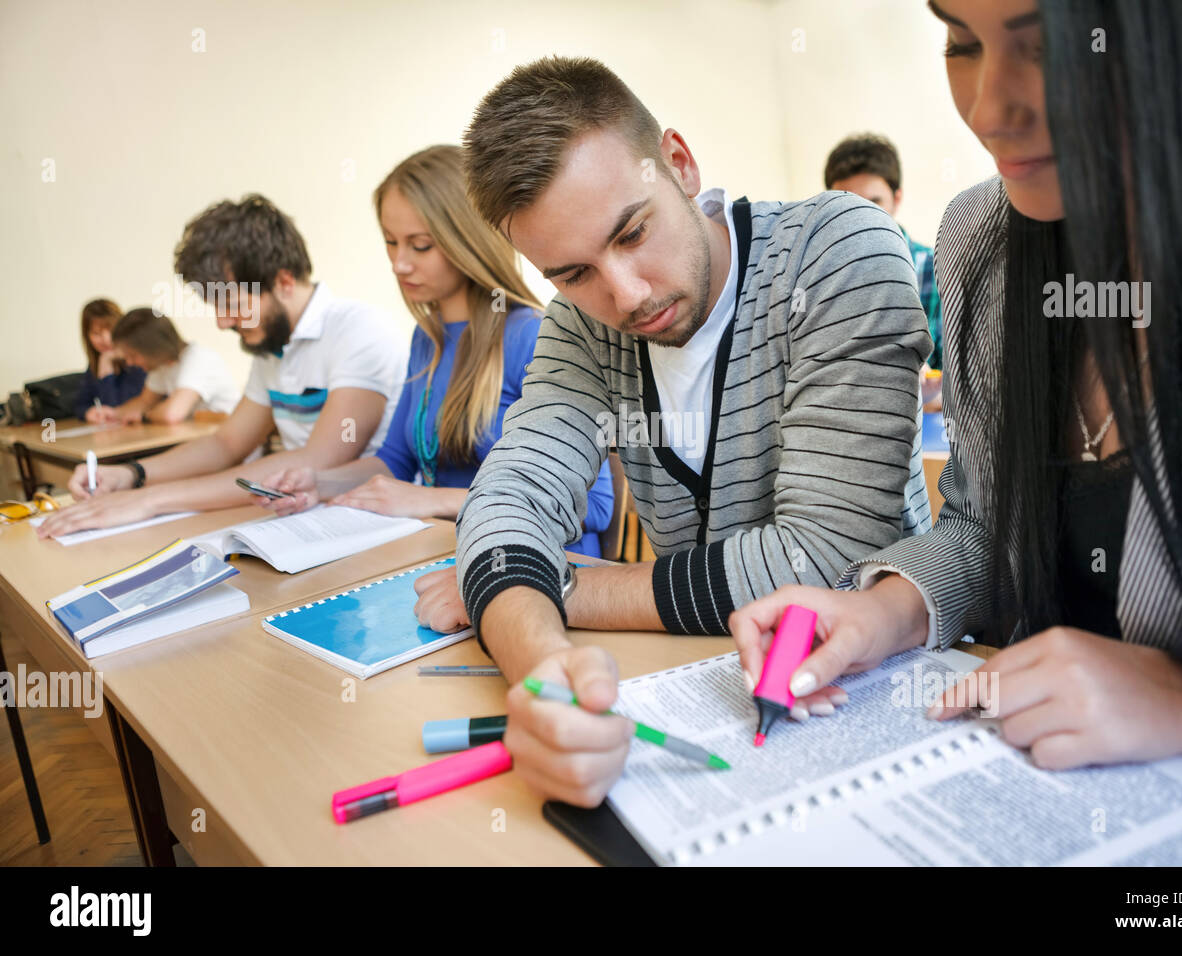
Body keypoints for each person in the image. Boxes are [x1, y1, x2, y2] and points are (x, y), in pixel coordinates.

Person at [731, 0, 1182, 806]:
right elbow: (984, 526)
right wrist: (883, 614)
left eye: (1054, 47)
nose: (990, 111)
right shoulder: (982, 240)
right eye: (961, 42)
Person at [421, 56, 933, 807]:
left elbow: (824, 558)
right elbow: (507, 505)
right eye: (572, 274)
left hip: (874, 700)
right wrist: (541, 666)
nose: (624, 295)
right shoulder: (580, 326)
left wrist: (561, 585)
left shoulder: (837, 248)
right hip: (706, 693)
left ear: (681, 166)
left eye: (632, 232)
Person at [257, 145, 613, 557]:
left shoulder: (536, 337)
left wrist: (431, 500)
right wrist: (319, 483)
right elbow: (395, 460)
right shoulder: (427, 338)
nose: (399, 263)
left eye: (420, 245)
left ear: (467, 239)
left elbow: (597, 507)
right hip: (446, 551)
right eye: (391, 242)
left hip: (536, 564)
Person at [38, 195, 405, 538]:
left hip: (378, 522)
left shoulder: (358, 330)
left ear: (283, 282)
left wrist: (151, 499)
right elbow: (226, 443)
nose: (223, 322)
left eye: (231, 303)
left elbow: (320, 459)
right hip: (312, 516)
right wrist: (132, 475)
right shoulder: (273, 348)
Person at [825, 133, 943, 406]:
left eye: (874, 202)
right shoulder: (816, 276)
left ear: (896, 199)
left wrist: (927, 389)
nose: (861, 217)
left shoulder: (936, 269)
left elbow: (963, 383)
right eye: (846, 204)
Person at [93, 308, 239, 424]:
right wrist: (113, 413)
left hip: (231, 445)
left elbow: (172, 414)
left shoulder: (198, 359)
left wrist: (144, 416)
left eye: (133, 356)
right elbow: (145, 401)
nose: (130, 363)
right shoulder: (162, 365)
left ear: (153, 348)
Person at [73, 298, 146, 422]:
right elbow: (79, 405)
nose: (106, 340)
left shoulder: (138, 361)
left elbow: (117, 409)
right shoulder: (96, 364)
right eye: (96, 333)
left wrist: (106, 371)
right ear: (87, 337)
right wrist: (87, 412)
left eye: (111, 331)